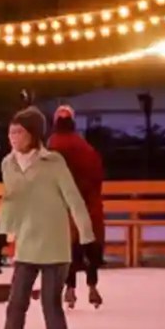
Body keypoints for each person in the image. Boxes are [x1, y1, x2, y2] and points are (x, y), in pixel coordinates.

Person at [0, 108, 98, 329]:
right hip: (25, 245)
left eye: (19, 132)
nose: (13, 138)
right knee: (15, 307)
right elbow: (12, 202)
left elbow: (73, 199)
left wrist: (87, 237)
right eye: (11, 132)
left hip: (54, 247)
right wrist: (0, 235)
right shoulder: (8, 164)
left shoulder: (53, 162)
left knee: (51, 306)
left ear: (33, 135)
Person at [47, 106, 107, 308]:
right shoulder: (83, 146)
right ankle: (92, 284)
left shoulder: (52, 145)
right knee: (88, 243)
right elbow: (96, 175)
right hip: (86, 203)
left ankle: (70, 287)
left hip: (63, 205)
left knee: (68, 248)